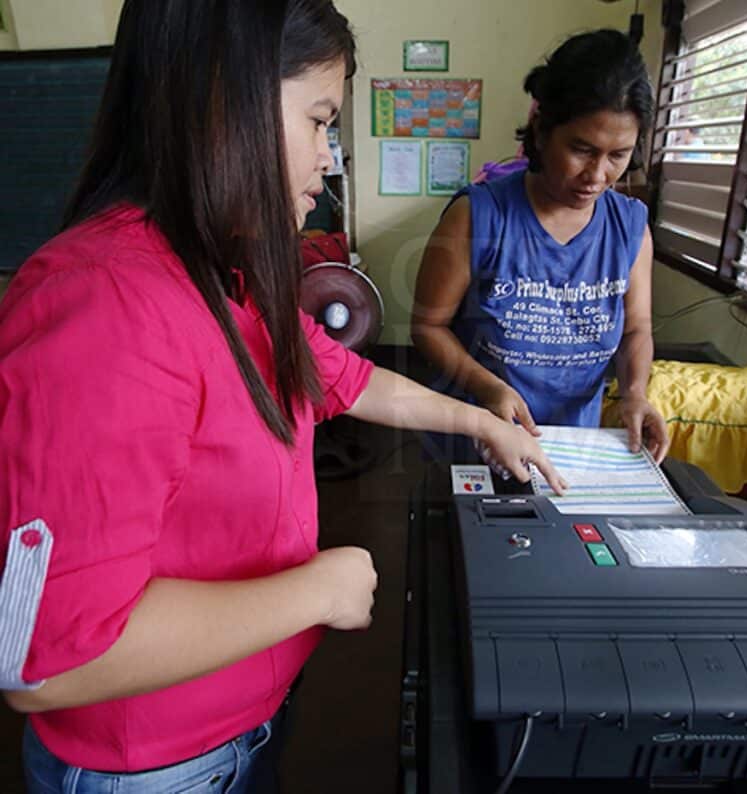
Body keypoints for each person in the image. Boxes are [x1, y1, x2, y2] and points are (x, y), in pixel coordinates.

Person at [0, 2, 564, 791]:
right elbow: (51, 661)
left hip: (237, 726)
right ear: (221, 102)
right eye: (319, 121)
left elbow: (353, 378)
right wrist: (316, 589)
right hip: (159, 764)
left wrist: (482, 418)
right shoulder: (106, 310)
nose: (328, 160)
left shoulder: (227, 275)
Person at [411, 30, 669, 462]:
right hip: (479, 437)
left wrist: (635, 394)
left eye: (618, 155)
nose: (597, 174)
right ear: (542, 129)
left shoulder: (630, 228)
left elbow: (635, 330)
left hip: (569, 446)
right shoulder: (479, 215)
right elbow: (427, 328)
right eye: (582, 149)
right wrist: (487, 386)